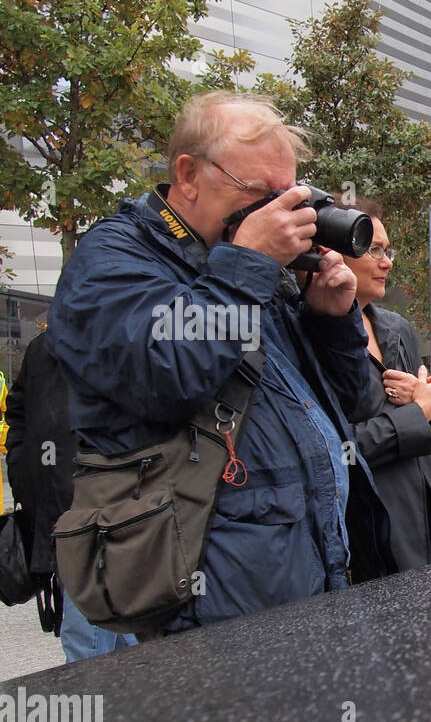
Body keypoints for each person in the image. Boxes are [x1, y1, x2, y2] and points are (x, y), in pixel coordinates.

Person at [45, 91, 394, 632]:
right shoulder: (113, 260)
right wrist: (249, 263)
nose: (280, 212)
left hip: (308, 575)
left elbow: (352, 404)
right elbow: (168, 380)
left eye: (289, 194)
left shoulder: (251, 266)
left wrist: (331, 320)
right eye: (259, 192)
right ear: (188, 174)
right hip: (207, 597)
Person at [5, 327, 138, 660]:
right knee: (114, 636)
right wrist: (23, 470)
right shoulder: (43, 347)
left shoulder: (123, 338)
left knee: (89, 641)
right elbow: (18, 409)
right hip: (61, 508)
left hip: (106, 509)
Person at [341, 198, 431, 569]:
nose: (387, 261)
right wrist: (417, 412)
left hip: (427, 515)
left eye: (387, 249)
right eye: (373, 249)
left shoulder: (395, 327)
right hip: (369, 530)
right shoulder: (311, 335)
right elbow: (336, 451)